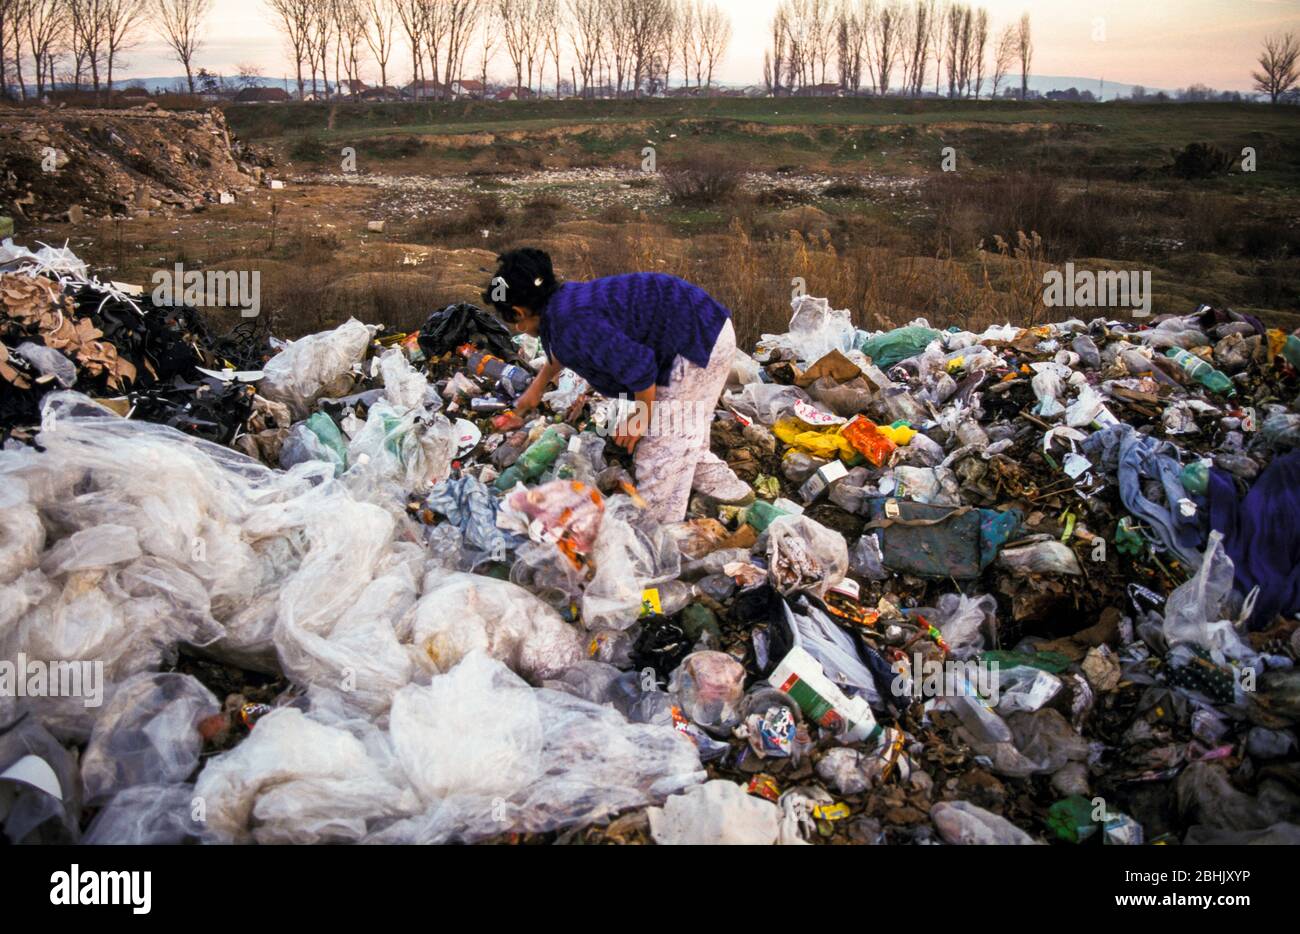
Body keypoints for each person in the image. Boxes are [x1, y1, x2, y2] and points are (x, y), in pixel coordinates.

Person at [482, 247, 753, 523]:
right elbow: (560, 353)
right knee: (683, 431)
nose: (516, 328)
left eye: (511, 319)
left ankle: (656, 536)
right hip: (702, 326)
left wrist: (641, 416)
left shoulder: (571, 323)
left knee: (659, 449)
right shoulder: (561, 305)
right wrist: (533, 393)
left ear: (518, 313)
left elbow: (640, 366)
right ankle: (730, 493)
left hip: (695, 342)